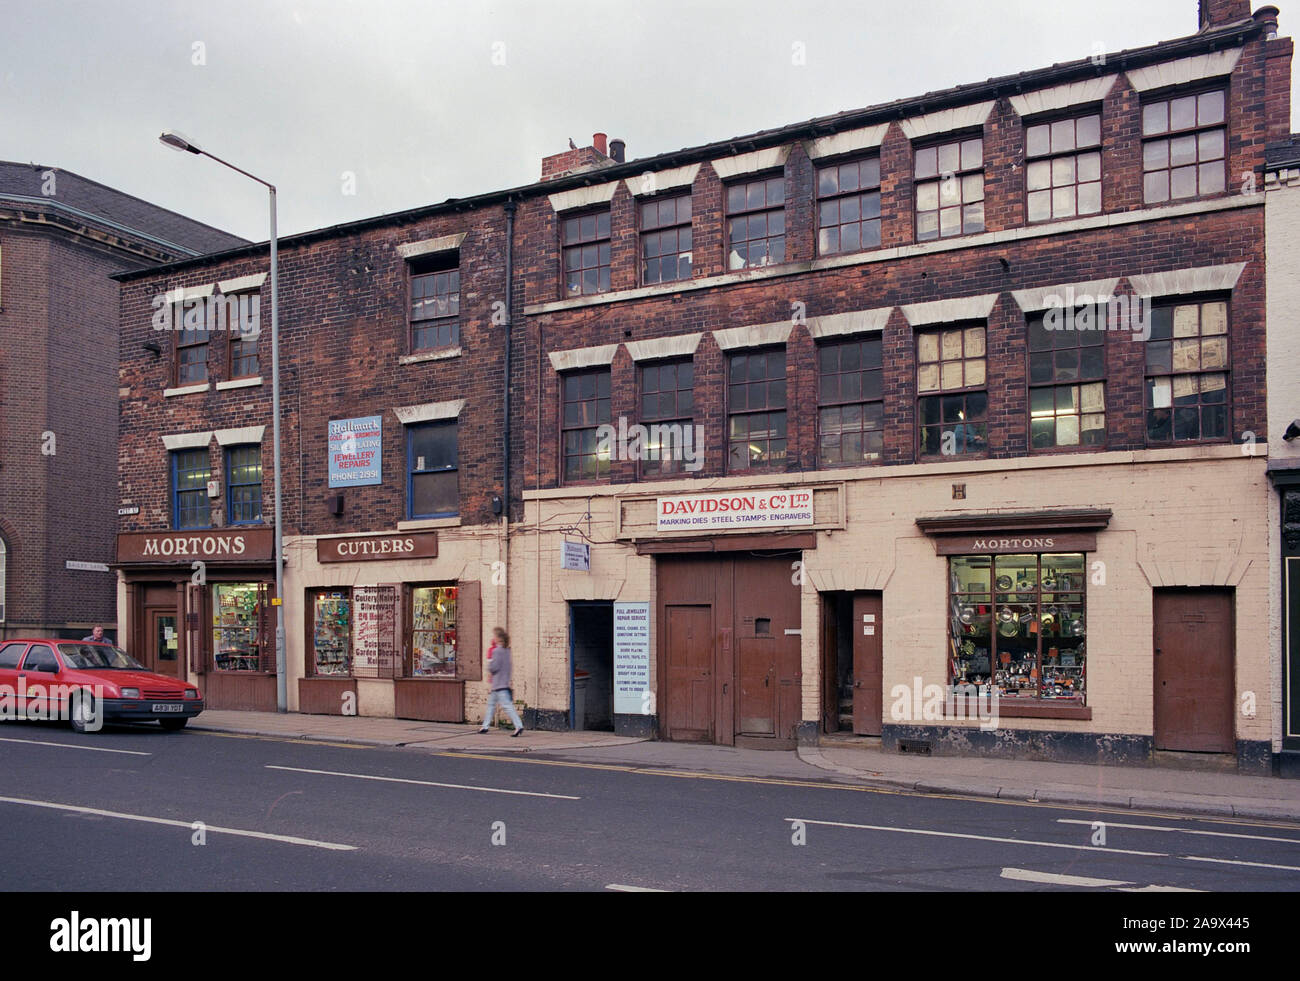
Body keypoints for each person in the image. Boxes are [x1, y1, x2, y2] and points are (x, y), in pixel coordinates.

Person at [478, 627, 523, 736]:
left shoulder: (497, 651)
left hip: (498, 684)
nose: (493, 638)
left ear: (498, 638)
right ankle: (485, 726)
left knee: (507, 706)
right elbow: (509, 667)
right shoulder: (507, 651)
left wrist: (489, 665)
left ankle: (519, 725)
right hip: (503, 683)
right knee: (491, 705)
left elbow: (494, 667)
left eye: (494, 636)